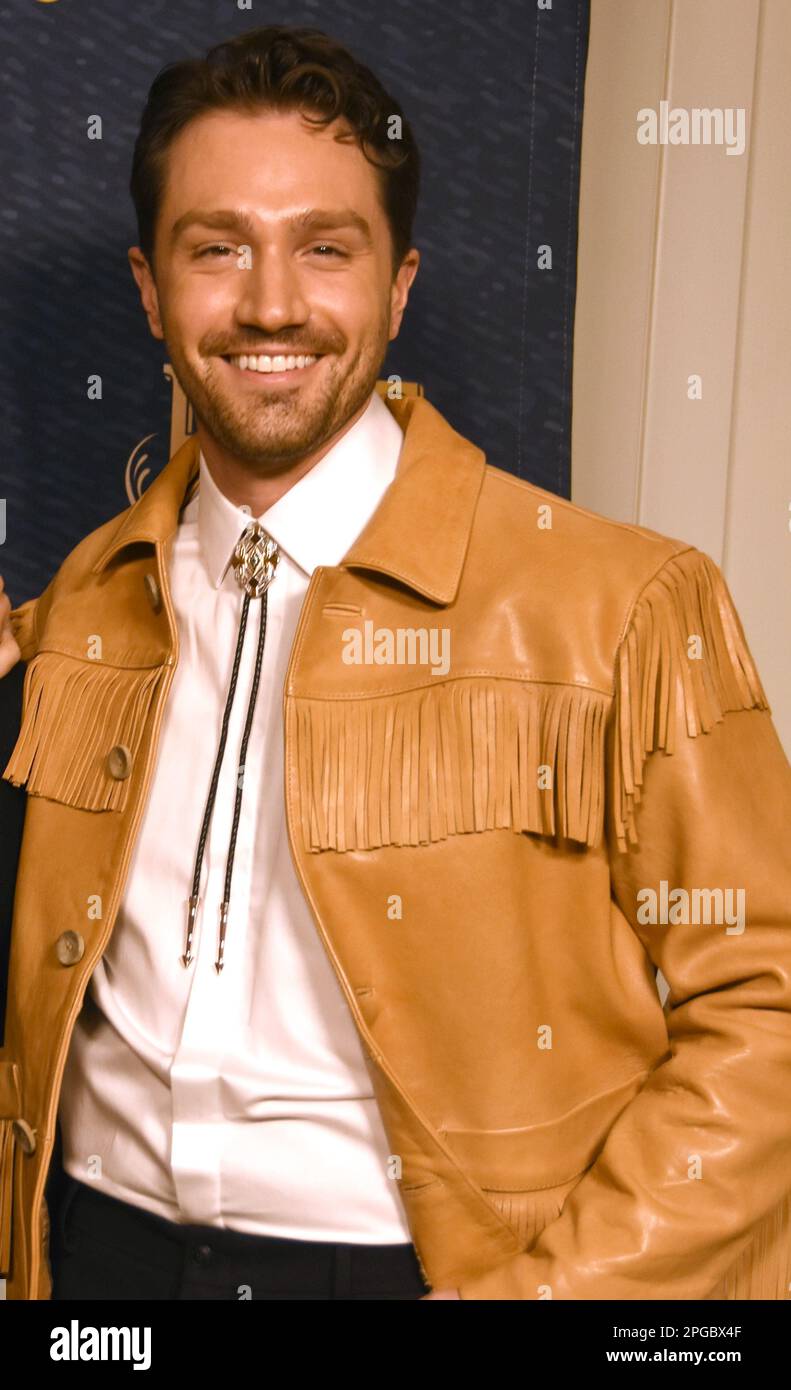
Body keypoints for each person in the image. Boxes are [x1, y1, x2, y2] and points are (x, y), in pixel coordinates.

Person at [2, 24, 791, 1303]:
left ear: (399, 285)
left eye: (325, 248)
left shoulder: (624, 606)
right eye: (217, 249)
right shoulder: (84, 602)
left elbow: (767, 1013)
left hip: (419, 1277)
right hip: (96, 1269)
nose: (269, 302)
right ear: (150, 291)